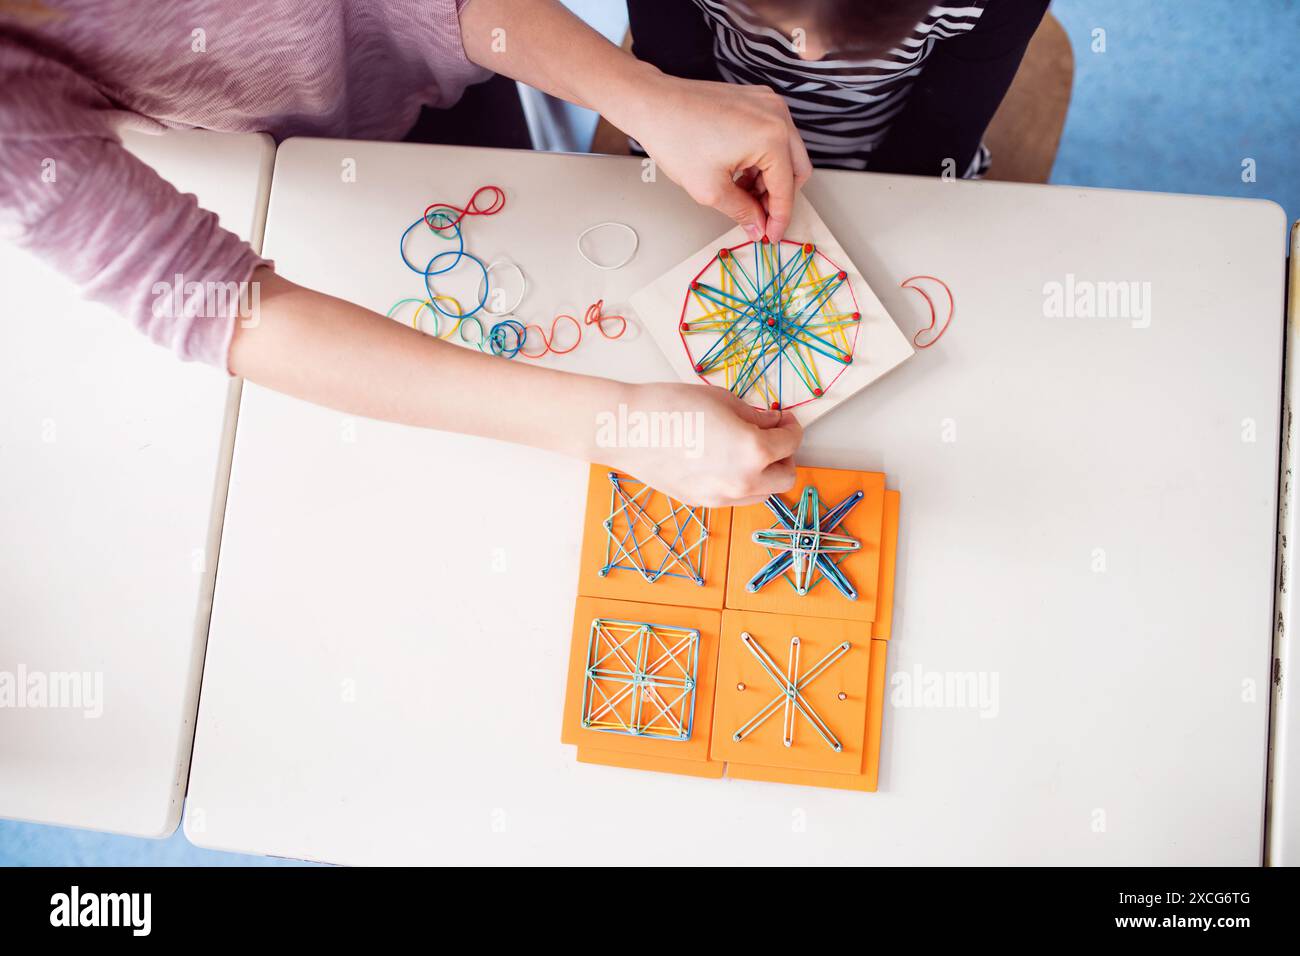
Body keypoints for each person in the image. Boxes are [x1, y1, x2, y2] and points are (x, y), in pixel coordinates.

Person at [0, 0, 810, 506]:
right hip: (298, 159)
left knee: (501, 162)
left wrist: (641, 95)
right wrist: (621, 424)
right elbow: (217, 304)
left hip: (451, 67)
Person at [627, 0, 1049, 178]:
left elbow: (944, 131)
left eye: (854, 35)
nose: (810, 54)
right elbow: (671, 71)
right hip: (687, 125)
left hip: (896, 152)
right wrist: (712, 150)